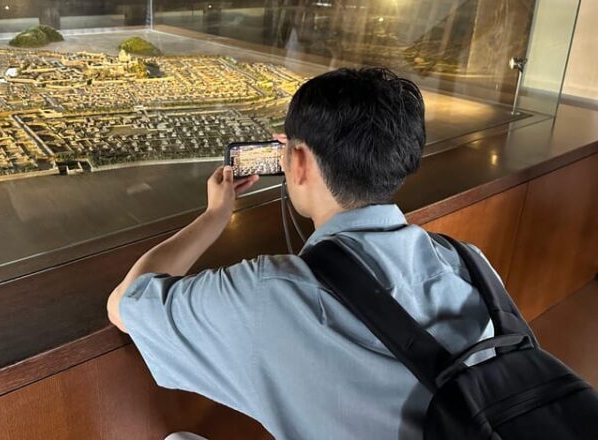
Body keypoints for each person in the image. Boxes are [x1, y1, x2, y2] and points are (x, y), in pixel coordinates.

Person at [106, 68, 495, 440]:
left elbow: (125, 304)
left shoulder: (268, 293)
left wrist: (214, 217)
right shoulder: (470, 263)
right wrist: (301, 152)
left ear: (299, 161)